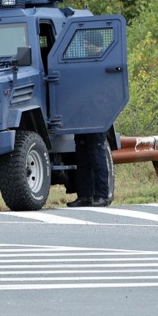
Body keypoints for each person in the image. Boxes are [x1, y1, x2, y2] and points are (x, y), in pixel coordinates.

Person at [67, 29, 112, 208]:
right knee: (82, 155)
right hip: (82, 115)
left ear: (97, 45)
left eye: (88, 43)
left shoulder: (104, 61)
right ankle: (85, 195)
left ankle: (101, 194)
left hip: (98, 115)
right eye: (84, 42)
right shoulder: (83, 60)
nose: (85, 45)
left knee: (96, 153)